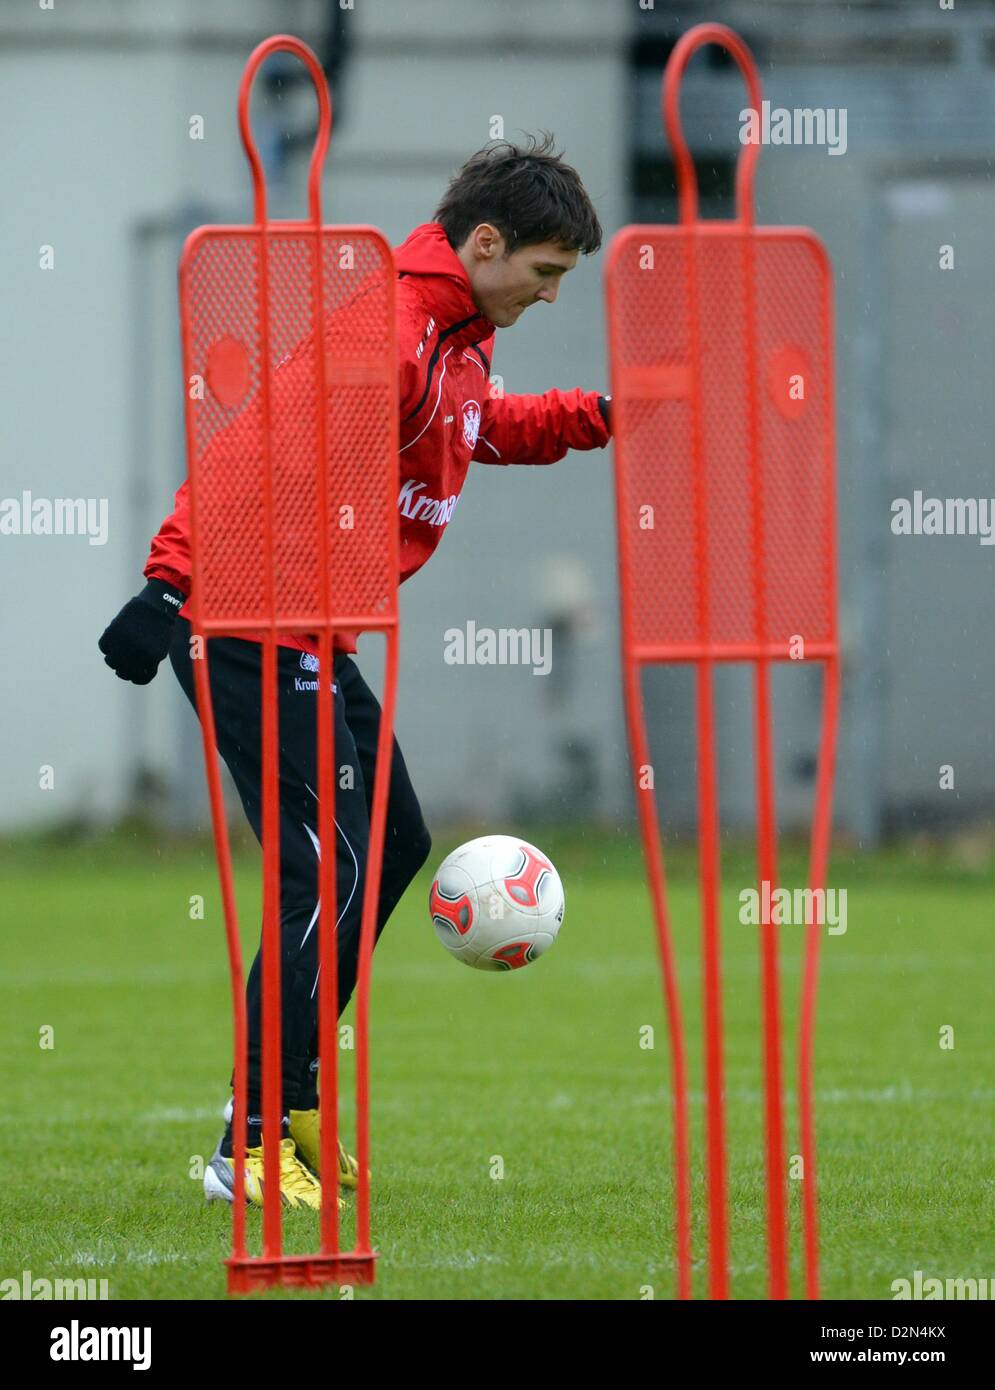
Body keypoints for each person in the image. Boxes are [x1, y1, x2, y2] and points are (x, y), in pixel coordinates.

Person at [98, 134, 613, 1210]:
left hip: (311, 629)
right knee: (324, 868)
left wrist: (597, 417)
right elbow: (256, 446)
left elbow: (480, 429)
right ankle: (244, 1143)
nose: (551, 294)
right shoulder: (389, 326)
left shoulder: (457, 339)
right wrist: (165, 581)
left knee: (395, 847)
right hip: (243, 623)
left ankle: (284, 1109)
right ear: (485, 243)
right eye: (546, 272)